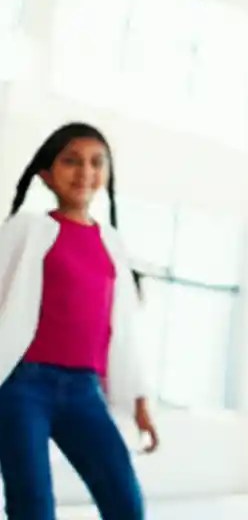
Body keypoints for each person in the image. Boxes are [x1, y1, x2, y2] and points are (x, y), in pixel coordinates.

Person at [0, 122, 158, 520]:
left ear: (106, 174)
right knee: (31, 508)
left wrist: (139, 401)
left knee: (126, 504)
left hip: (85, 392)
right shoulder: (27, 229)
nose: (84, 171)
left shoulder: (113, 245)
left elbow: (122, 331)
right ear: (46, 174)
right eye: (71, 161)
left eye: (95, 162)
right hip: (23, 388)